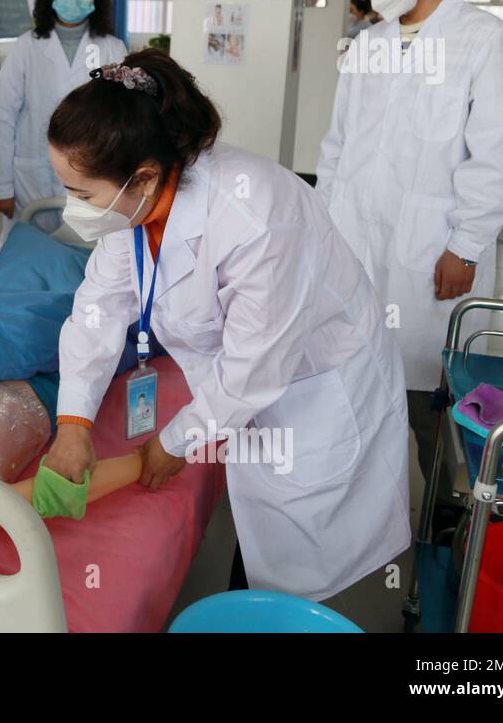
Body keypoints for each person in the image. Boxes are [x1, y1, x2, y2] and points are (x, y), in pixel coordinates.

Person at [42, 51, 409, 601]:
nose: (75, 208)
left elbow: (253, 367)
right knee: (265, 537)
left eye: (82, 194)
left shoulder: (256, 216)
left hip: (317, 389)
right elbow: (98, 306)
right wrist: (73, 422)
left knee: (312, 567)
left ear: (141, 177)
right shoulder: (135, 203)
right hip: (252, 389)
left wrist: (173, 443)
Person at [317, 0, 503, 527]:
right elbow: (337, 146)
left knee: (427, 401)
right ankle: (359, 523)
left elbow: (490, 156)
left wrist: (466, 246)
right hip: (355, 246)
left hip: (430, 254)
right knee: (352, 386)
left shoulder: (483, 40)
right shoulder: (367, 46)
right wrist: (322, 232)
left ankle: (451, 521)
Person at [0, 0, 126, 238]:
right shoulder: (28, 47)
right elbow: (0, 117)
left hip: (93, 181)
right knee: (28, 264)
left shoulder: (112, 49)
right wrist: (1, 187)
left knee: (87, 269)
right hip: (30, 180)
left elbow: (123, 122)